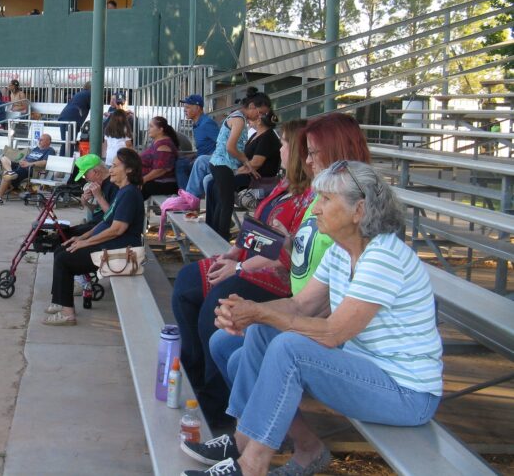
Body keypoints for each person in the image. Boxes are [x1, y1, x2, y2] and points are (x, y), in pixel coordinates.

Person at [182, 162, 441, 476]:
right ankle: (244, 442)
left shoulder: (383, 256)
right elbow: (301, 306)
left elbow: (332, 333)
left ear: (359, 210)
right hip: (367, 371)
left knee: (289, 349)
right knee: (257, 339)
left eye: (326, 200)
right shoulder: (342, 251)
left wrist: (259, 312)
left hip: (406, 393)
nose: (315, 209)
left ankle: (251, 466)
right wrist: (248, 312)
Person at [196, 113, 372, 458]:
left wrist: (259, 309)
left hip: (339, 334)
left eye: (313, 151)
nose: (306, 159)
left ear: (336, 151)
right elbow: (306, 263)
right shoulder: (322, 200)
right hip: (307, 306)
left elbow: (330, 310)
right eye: (303, 151)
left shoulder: (354, 213)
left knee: (259, 346)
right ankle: (296, 443)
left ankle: (248, 451)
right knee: (224, 342)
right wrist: (288, 245)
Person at [171, 120, 313, 432]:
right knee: (185, 285)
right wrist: (235, 252)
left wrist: (238, 268)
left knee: (216, 308)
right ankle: (194, 376)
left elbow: (288, 253)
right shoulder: (284, 184)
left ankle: (217, 408)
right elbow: (259, 225)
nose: (281, 149)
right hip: (250, 260)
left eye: (286, 144)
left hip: (277, 278)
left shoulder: (313, 197)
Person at [44, 148, 145, 326]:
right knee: (62, 249)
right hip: (115, 245)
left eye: (114, 166)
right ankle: (60, 302)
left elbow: (117, 229)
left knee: (65, 259)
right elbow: (106, 221)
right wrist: (82, 238)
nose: (110, 170)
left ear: (129, 170)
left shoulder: (129, 193)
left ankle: (68, 314)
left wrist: (86, 243)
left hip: (123, 251)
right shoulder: (124, 191)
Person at [205, 89, 270, 240]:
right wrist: (246, 161)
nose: (260, 117)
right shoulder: (239, 120)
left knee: (223, 201)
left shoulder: (238, 117)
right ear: (252, 106)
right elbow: (230, 147)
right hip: (222, 164)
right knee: (226, 203)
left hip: (221, 164)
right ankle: (221, 238)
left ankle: (216, 236)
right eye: (260, 113)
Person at [0, 133, 56, 205]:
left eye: (41, 140)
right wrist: (22, 161)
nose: (39, 141)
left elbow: (44, 162)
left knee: (6, 176)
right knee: (4, 158)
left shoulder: (50, 150)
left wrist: (29, 164)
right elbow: (27, 158)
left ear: (48, 141)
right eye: (39, 139)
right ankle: (10, 171)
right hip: (22, 165)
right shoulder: (36, 149)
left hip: (29, 170)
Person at [174, 94, 220, 196]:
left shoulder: (207, 123)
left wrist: (205, 157)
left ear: (197, 108)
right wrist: (193, 155)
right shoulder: (197, 124)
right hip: (201, 159)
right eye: (184, 107)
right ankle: (186, 196)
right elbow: (205, 146)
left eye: (188, 107)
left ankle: (189, 197)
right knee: (179, 161)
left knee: (181, 165)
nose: (185, 110)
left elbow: (221, 144)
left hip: (209, 162)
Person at [71, 153, 118, 233]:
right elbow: (97, 212)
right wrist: (87, 202)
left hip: (104, 228)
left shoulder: (114, 185)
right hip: (97, 225)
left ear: (96, 172)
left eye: (85, 175)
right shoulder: (99, 184)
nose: (85, 179)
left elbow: (113, 217)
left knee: (64, 236)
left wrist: (99, 197)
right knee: (63, 232)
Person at [140, 115, 180, 199]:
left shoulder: (164, 145)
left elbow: (160, 170)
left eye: (151, 126)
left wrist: (142, 180)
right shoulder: (157, 142)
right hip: (153, 181)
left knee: (131, 190)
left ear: (160, 129)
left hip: (162, 183)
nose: (148, 129)